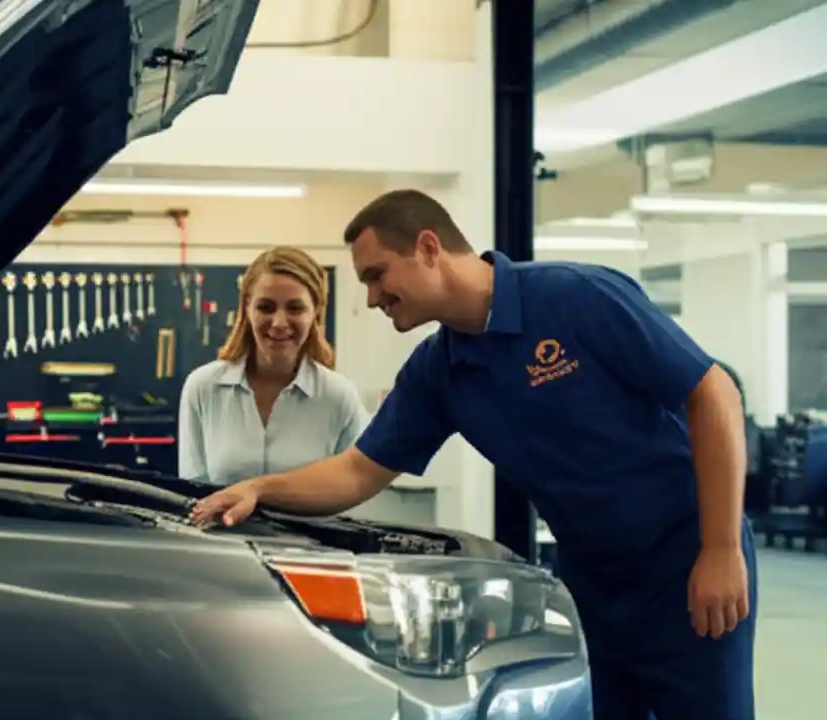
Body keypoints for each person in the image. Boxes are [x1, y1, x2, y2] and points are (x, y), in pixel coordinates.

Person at [189, 190, 756, 720]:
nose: (371, 297)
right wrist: (262, 489)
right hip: (591, 582)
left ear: (428, 248)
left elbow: (712, 392)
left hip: (687, 559)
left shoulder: (575, 297)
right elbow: (357, 471)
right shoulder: (438, 372)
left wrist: (721, 546)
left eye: (377, 275)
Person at [177, 246, 370, 486]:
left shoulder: (339, 397)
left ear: (315, 311)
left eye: (295, 308)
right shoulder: (203, 388)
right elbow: (192, 489)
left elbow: (347, 490)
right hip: (220, 526)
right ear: (247, 309)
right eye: (265, 307)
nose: (279, 323)